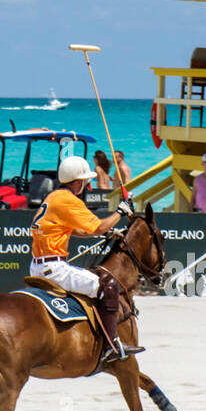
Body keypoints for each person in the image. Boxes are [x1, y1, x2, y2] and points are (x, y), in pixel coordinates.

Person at [30, 155, 142, 361]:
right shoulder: (68, 200)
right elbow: (98, 225)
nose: (87, 184)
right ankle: (112, 344)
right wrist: (121, 211)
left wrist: (107, 234)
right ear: (77, 181)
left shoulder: (54, 197)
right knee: (108, 286)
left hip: (37, 266)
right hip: (54, 269)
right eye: (85, 180)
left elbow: (78, 230)